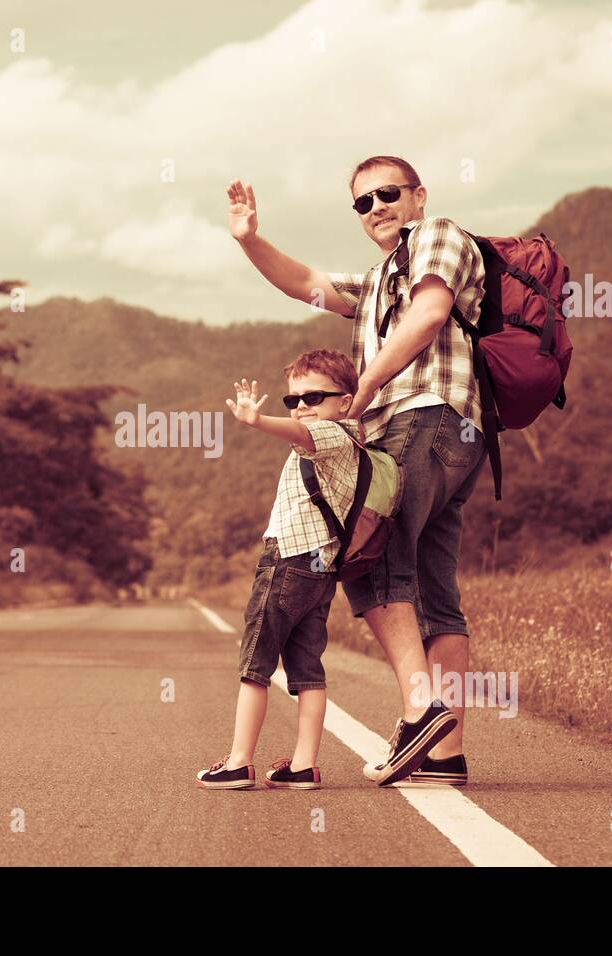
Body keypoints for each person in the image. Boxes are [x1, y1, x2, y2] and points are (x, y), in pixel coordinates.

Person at [226, 155, 486, 787]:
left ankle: (421, 711)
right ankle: (444, 755)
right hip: (450, 435)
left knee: (370, 559)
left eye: (387, 194)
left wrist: (365, 386)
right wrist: (250, 239)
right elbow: (303, 282)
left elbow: (427, 316)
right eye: (362, 203)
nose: (376, 208)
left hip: (420, 419)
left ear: (418, 196)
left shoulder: (438, 236)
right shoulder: (375, 282)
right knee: (434, 594)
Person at [195, 349, 360, 791]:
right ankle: (303, 765)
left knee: (256, 664)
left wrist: (257, 421)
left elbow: (297, 433)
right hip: (319, 569)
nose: (303, 406)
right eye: (294, 400)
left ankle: (238, 761)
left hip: (288, 562)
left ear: (344, 401)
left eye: (314, 396)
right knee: (307, 668)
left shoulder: (333, 434)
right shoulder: (349, 439)